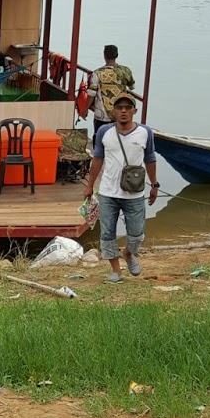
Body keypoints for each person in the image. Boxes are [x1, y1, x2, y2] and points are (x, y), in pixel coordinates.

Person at [83, 92, 158, 282]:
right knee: (107, 233)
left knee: (137, 233)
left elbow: (150, 159)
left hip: (135, 192)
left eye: (127, 108)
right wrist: (90, 185)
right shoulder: (104, 132)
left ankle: (129, 254)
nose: (123, 111)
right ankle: (116, 272)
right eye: (119, 108)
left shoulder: (145, 132)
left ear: (134, 111)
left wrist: (154, 185)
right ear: (113, 111)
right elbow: (98, 159)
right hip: (108, 192)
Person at [87, 45, 135, 135]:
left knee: (99, 139)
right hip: (120, 114)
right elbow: (132, 86)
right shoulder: (125, 71)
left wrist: (85, 109)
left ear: (104, 56)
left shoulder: (97, 73)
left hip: (101, 116)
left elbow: (91, 95)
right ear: (117, 55)